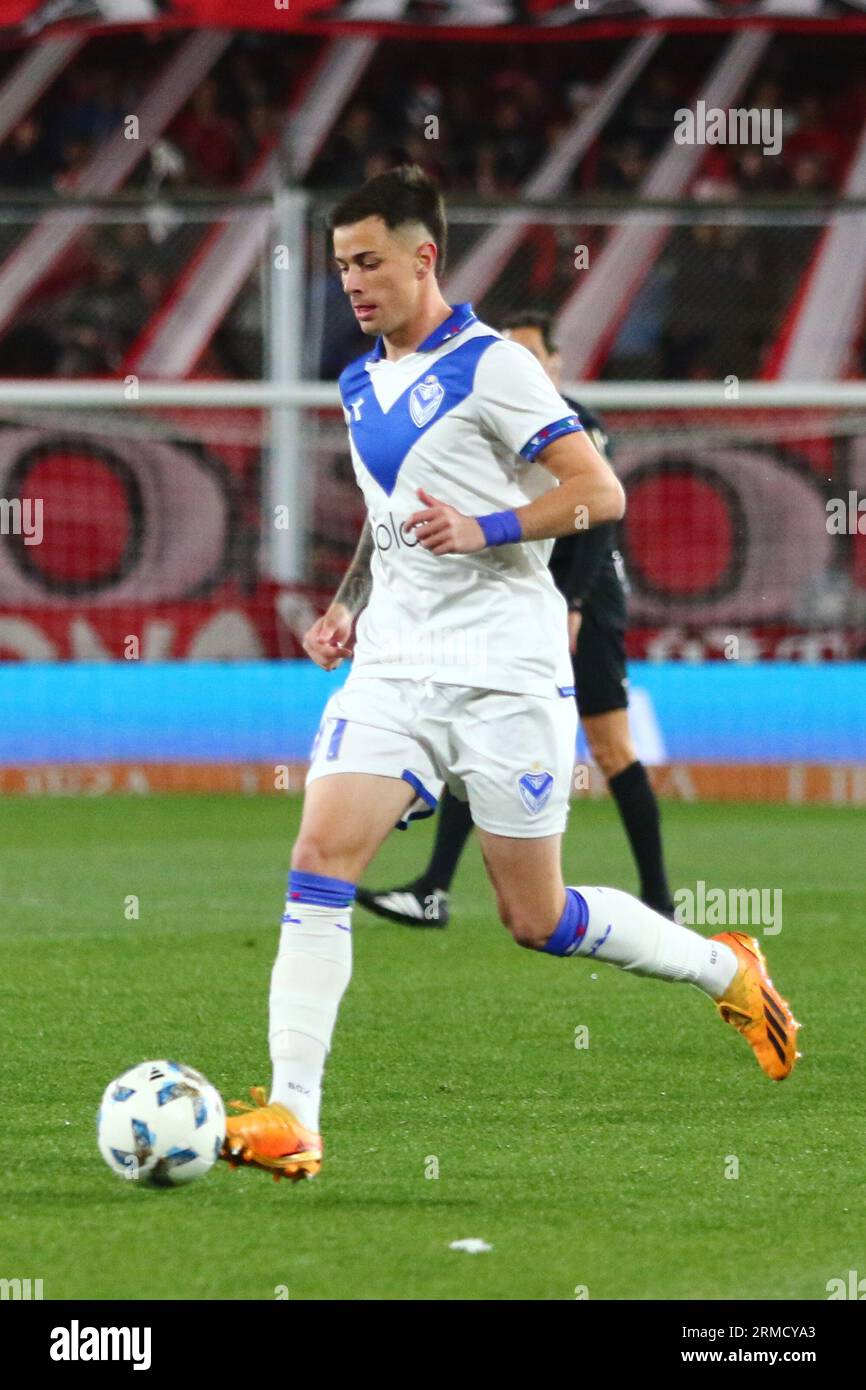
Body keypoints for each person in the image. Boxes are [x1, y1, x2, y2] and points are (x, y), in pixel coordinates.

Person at [222, 166, 799, 1183]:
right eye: (339, 266)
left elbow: (599, 492)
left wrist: (486, 524)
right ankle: (294, 1115)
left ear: (422, 256)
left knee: (536, 918)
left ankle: (723, 965)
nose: (351, 284)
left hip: (505, 671)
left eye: (367, 262)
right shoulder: (359, 381)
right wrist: (348, 605)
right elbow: (385, 510)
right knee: (317, 857)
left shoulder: (495, 368)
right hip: (394, 668)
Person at [357, 309, 675, 929]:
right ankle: (433, 889)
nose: (521, 364)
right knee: (477, 733)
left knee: (610, 748)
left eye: (532, 354)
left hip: (583, 601)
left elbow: (595, 512)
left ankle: (661, 898)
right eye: (512, 353)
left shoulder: (576, 424)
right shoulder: (486, 414)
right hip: (515, 606)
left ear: (555, 362)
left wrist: (576, 604)